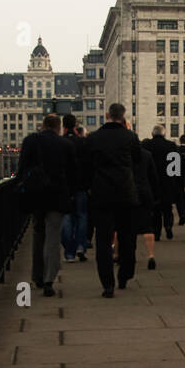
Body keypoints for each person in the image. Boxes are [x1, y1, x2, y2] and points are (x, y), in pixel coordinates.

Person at [83, 103, 140, 298]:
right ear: (123, 117)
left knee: (103, 240)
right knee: (127, 237)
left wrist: (90, 187)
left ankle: (107, 283)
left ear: (107, 115)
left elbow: (86, 167)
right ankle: (125, 274)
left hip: (102, 193)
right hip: (125, 193)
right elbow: (138, 162)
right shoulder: (130, 137)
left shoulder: (94, 138)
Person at [17, 113, 75, 297]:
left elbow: (21, 168)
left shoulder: (30, 141)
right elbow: (73, 173)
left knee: (38, 233)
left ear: (42, 125)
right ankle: (50, 279)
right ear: (58, 127)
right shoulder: (66, 145)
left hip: (36, 195)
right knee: (53, 237)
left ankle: (37, 276)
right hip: (57, 196)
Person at [121, 144, 160, 286]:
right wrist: (155, 195)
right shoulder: (147, 155)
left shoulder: (123, 155)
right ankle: (151, 255)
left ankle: (119, 254)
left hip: (128, 192)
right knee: (147, 225)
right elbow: (153, 176)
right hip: (145, 192)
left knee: (125, 226)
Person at [60, 114, 91, 263]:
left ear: (63, 126)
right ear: (75, 125)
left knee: (67, 217)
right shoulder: (83, 142)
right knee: (82, 216)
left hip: (65, 186)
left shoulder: (61, 142)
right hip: (81, 186)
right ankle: (80, 245)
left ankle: (69, 251)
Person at [142, 125, 179, 241]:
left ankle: (156, 233)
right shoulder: (171, 146)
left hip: (151, 182)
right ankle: (168, 225)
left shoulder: (146, 146)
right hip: (168, 181)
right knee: (167, 207)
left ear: (152, 134)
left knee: (155, 209)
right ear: (164, 134)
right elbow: (176, 168)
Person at [175, 134, 185, 225]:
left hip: (178, 177)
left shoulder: (175, 151)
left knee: (179, 198)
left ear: (180, 141)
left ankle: (181, 215)